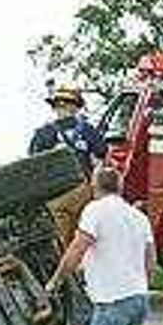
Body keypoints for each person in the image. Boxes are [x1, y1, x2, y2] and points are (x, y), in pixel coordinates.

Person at [45, 165, 154, 325]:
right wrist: (141, 286)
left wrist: (55, 280)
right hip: (139, 299)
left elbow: (77, 248)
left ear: (95, 188)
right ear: (120, 187)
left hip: (112, 301)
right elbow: (150, 258)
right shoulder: (137, 216)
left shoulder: (95, 211)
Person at [29, 85, 107, 243]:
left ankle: (67, 263)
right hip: (82, 190)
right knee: (85, 235)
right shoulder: (88, 130)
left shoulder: (43, 133)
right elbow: (101, 157)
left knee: (62, 240)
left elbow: (33, 164)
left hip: (55, 193)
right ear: (76, 107)